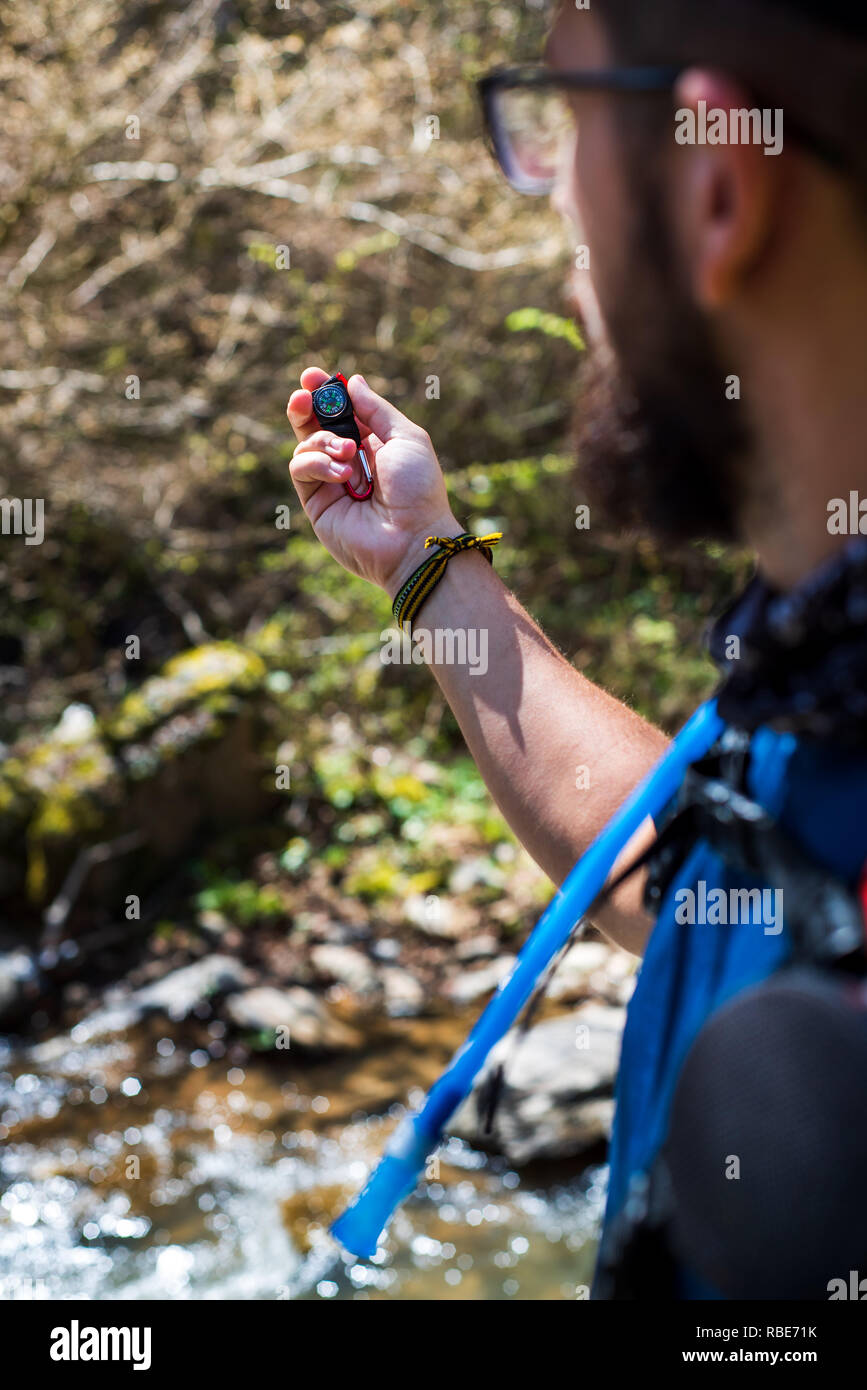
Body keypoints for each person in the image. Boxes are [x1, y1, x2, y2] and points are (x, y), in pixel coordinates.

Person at [286, 0, 867, 1298]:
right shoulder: (826, 668)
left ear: (718, 187)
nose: (550, 209)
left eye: (564, 124)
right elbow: (712, 884)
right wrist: (425, 562)